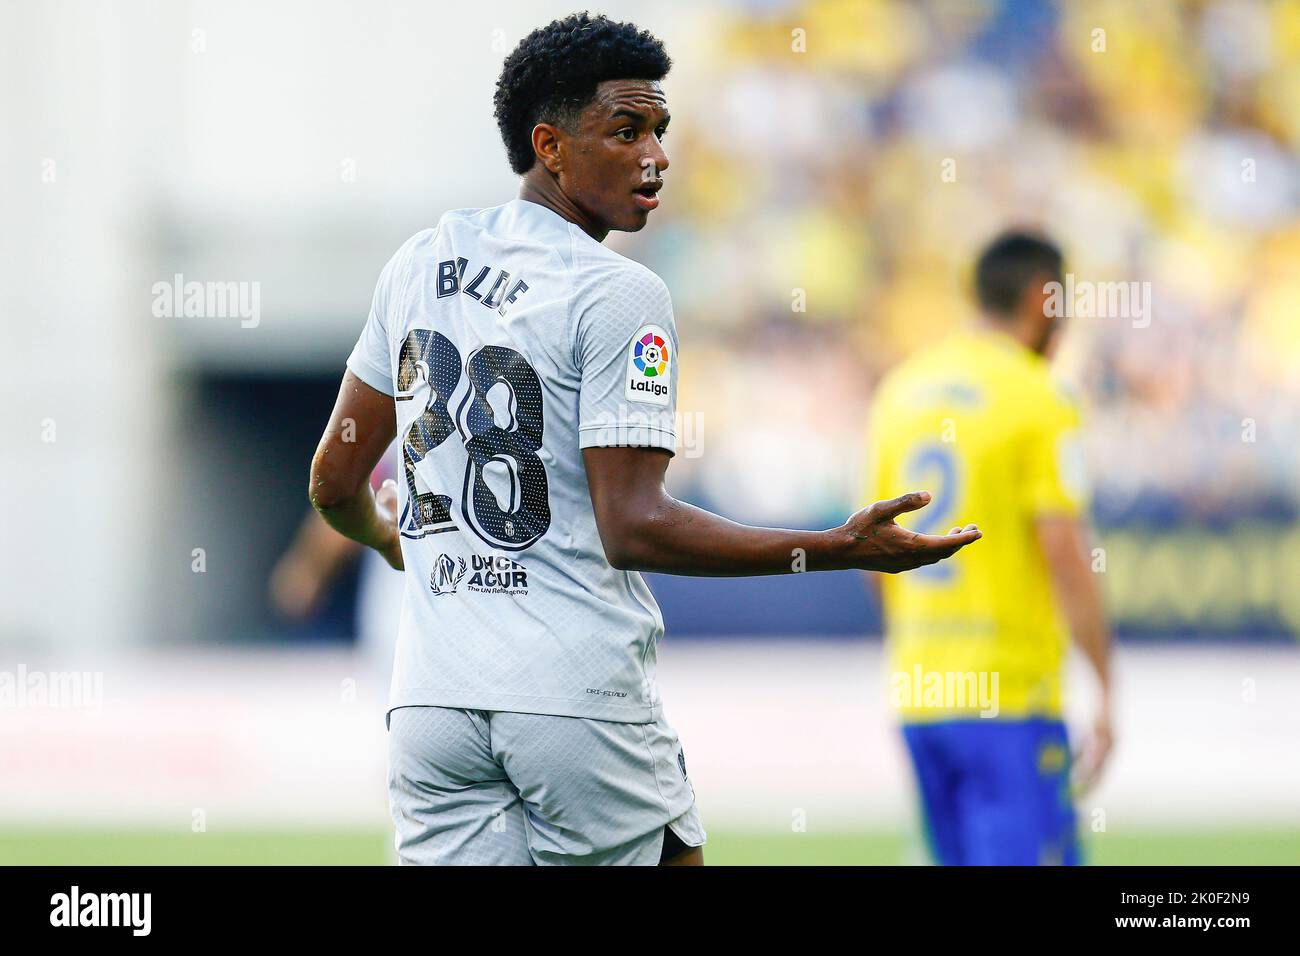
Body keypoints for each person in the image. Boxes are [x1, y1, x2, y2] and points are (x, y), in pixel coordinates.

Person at [308, 12, 981, 866]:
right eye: (626, 131)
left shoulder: (416, 264)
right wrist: (834, 547)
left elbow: (333, 481)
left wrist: (385, 537)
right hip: (572, 696)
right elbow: (633, 525)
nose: (656, 155)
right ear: (548, 146)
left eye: (661, 129)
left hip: (430, 707)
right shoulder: (616, 292)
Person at [864, 232, 1114, 865]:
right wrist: (1107, 687)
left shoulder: (901, 392)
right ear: (1041, 297)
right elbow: (1064, 552)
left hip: (921, 698)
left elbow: (873, 552)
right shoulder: (1039, 394)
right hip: (1007, 698)